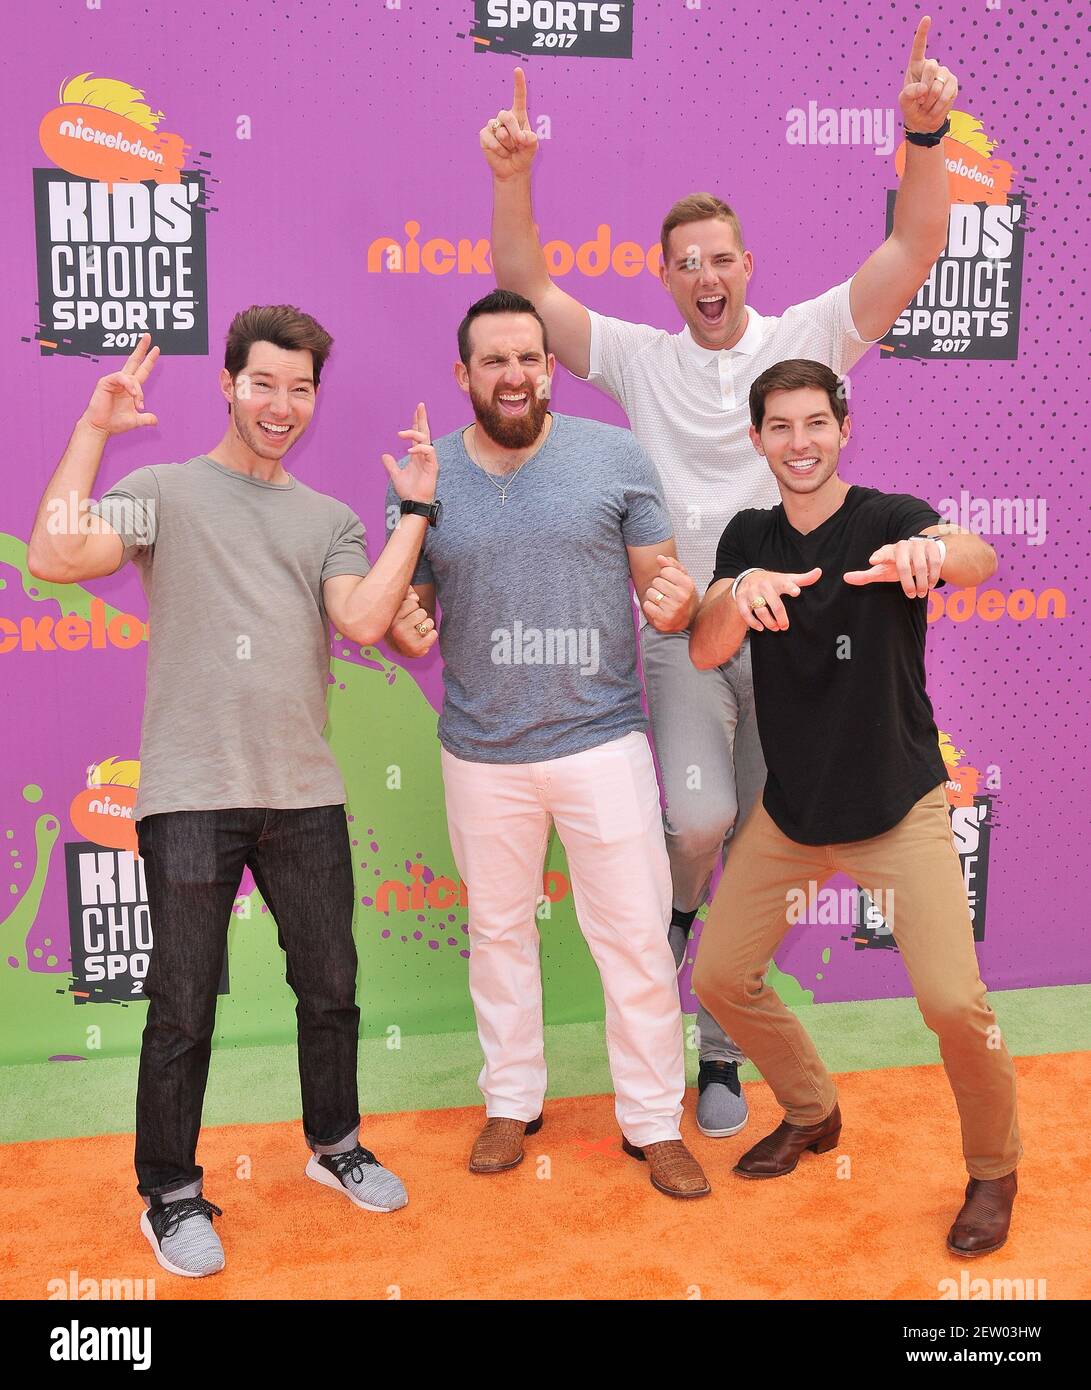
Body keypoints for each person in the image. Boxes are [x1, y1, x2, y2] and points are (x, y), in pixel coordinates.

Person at [479, 17, 959, 1138]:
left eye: (719, 257)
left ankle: (718, 1051)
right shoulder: (639, 357)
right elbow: (522, 287)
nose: (703, 275)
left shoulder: (799, 339)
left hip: (795, 642)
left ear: (747, 266)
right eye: (683, 261)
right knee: (696, 824)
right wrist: (512, 176)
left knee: (760, 840)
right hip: (689, 631)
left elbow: (913, 249)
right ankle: (668, 925)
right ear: (665, 275)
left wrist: (923, 132)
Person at [27, 310, 441, 1277]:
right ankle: (170, 1197)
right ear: (226, 384)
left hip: (303, 793)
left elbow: (367, 617)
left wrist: (415, 514)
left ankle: (334, 1145)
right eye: (264, 384)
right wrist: (93, 426)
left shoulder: (330, 519)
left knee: (330, 986)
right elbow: (55, 557)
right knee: (180, 1007)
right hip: (191, 791)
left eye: (300, 388)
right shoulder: (163, 490)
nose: (282, 406)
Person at [689, 359, 1020, 1255]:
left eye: (814, 424)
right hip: (793, 814)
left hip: (895, 804)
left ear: (841, 429)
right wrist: (734, 593)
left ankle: (992, 1170)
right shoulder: (748, 532)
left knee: (955, 1004)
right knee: (719, 976)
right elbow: (705, 644)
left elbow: (975, 558)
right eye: (780, 428)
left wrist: (934, 553)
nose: (799, 443)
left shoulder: (886, 517)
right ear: (755, 439)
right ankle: (812, 1109)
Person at [385, 289, 710, 1199]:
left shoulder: (613, 456)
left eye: (528, 357)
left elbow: (666, 585)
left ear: (551, 366)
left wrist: (677, 601)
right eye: (493, 360)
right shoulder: (424, 474)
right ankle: (509, 1102)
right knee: (496, 938)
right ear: (463, 374)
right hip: (480, 751)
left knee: (638, 942)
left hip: (602, 741)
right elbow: (411, 617)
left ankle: (652, 1122)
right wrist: (409, 623)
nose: (514, 374)